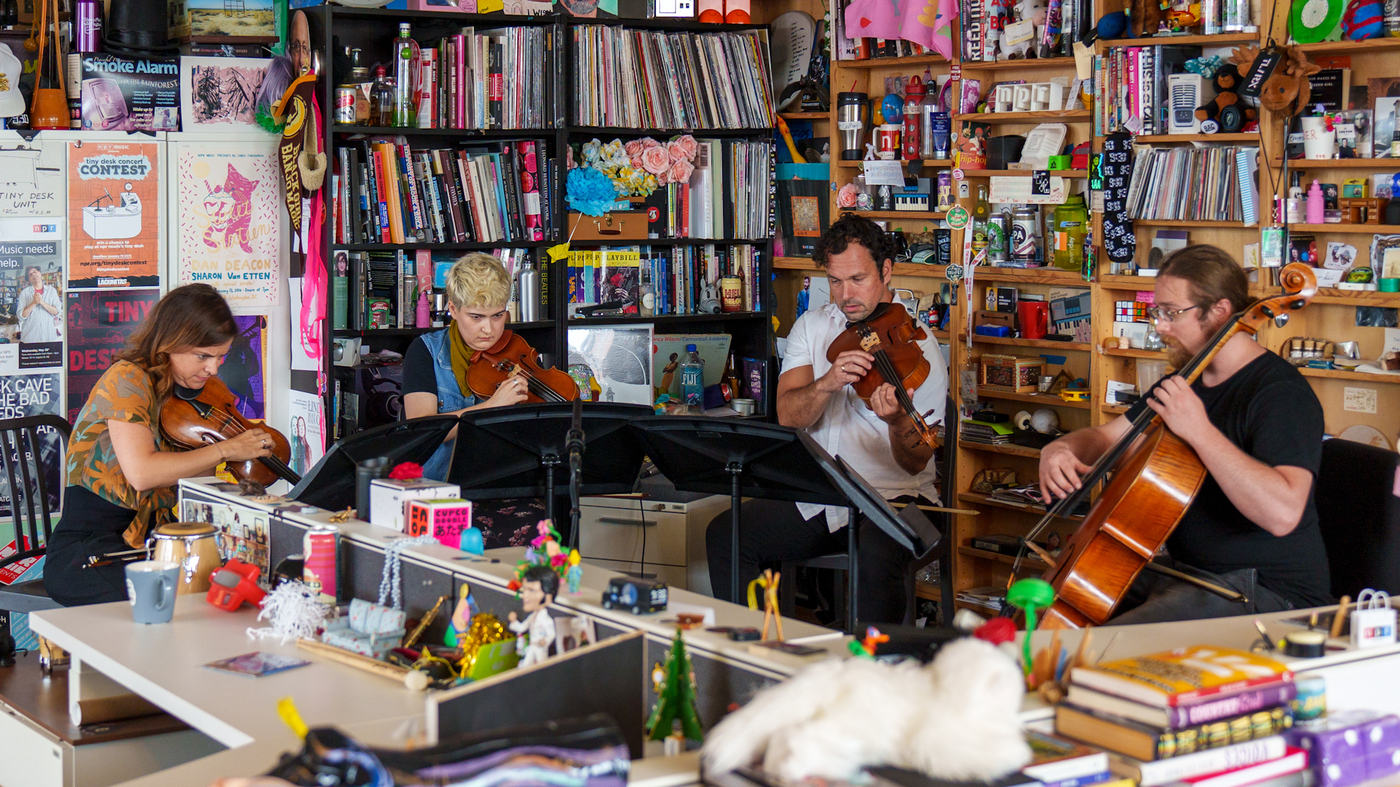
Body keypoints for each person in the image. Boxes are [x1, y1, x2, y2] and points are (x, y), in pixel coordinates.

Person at [1037, 245, 1332, 625]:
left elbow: (1283, 513)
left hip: (1266, 592)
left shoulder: (1280, 394)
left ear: (1220, 311)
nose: (1159, 326)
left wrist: (1199, 431)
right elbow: (1109, 438)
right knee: (1044, 614)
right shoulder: (1184, 381)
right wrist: (1062, 447)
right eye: (1156, 312)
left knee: (1099, 648)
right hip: (1187, 574)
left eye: (1172, 313)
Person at [704, 214, 948, 623]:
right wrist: (827, 382)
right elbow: (787, 415)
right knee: (726, 534)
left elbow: (915, 462)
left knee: (874, 555)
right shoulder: (812, 326)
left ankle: (875, 672)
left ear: (886, 271)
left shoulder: (919, 348)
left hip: (896, 498)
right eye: (835, 281)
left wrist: (895, 423)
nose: (846, 294)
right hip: (821, 496)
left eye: (857, 279)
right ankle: (755, 653)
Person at [45, 284, 273, 606]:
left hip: (155, 545)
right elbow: (142, 474)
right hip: (89, 550)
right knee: (184, 596)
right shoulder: (126, 379)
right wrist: (226, 449)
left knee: (237, 581)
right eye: (203, 356)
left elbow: (195, 482)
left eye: (221, 356)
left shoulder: (193, 393)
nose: (213, 368)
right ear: (169, 343)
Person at [401, 253, 550, 547]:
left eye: (498, 316)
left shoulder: (515, 351)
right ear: (453, 309)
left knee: (546, 530)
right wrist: (492, 405)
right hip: (440, 493)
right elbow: (423, 431)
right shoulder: (425, 353)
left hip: (501, 487)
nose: (489, 330)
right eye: (476, 317)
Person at [18, 265, 61, 343]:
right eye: (30, 275)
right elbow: (21, 316)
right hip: (30, 338)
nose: (33, 275)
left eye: (35, 272)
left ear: (40, 273)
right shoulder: (24, 293)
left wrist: (41, 302)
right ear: (29, 280)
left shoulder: (52, 291)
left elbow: (57, 312)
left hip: (49, 337)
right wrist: (34, 302)